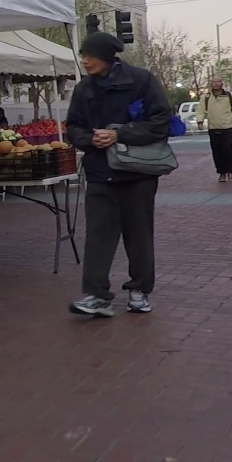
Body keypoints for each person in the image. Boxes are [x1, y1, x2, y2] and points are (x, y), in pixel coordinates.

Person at [65, 32, 171, 318]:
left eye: (90, 56)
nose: (85, 61)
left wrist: (120, 133)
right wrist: (89, 139)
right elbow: (73, 127)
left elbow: (161, 120)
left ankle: (139, 291)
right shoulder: (84, 89)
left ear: (106, 56)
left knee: (139, 234)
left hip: (138, 173)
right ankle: (97, 296)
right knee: (97, 236)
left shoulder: (141, 80)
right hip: (100, 173)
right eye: (83, 56)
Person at [199, 77, 232, 182]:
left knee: (227, 149)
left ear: (222, 83)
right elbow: (201, 110)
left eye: (218, 82)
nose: (216, 84)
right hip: (213, 127)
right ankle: (221, 172)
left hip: (228, 127)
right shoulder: (206, 97)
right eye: (214, 82)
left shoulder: (229, 96)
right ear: (211, 84)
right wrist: (200, 121)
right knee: (217, 151)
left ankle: (230, 171)